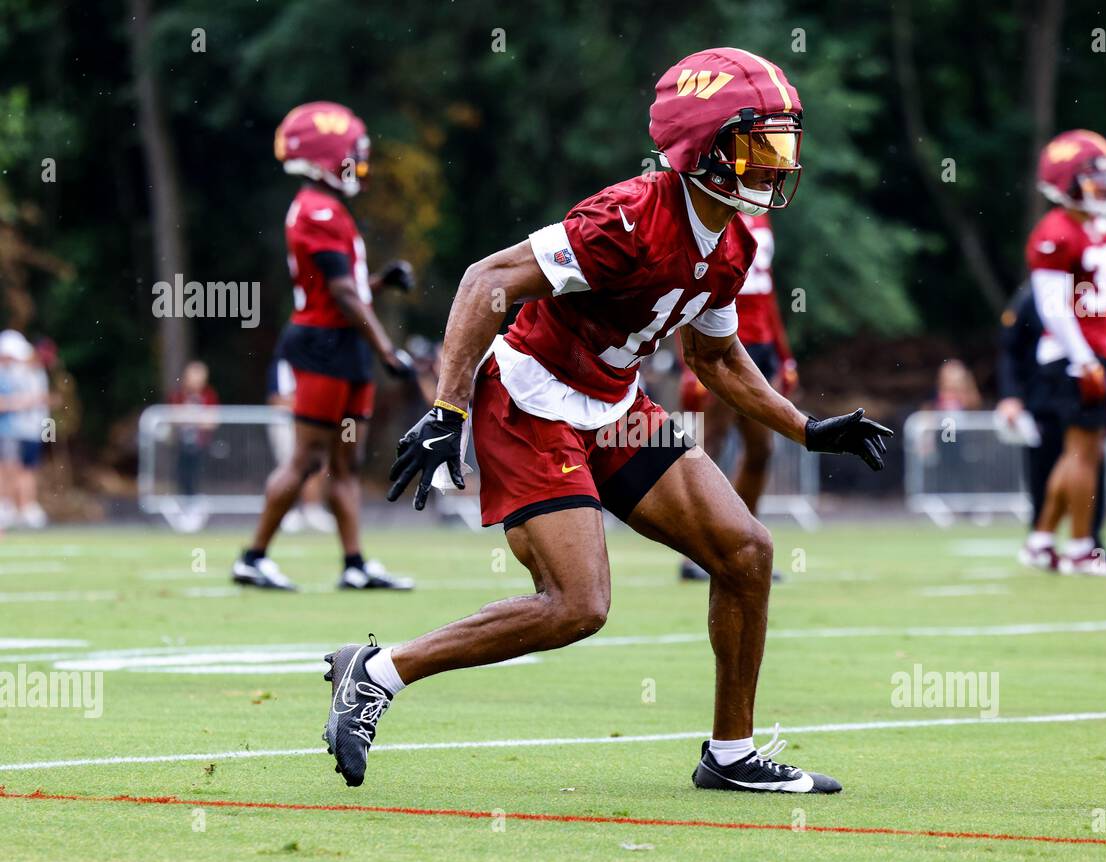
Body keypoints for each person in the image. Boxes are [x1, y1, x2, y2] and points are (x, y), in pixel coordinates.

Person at [322, 48, 891, 794]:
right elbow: (486, 280)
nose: (778, 161)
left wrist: (804, 428)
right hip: (533, 401)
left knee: (746, 551)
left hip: (616, 404)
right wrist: (447, 406)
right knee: (577, 604)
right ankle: (378, 671)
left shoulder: (733, 242)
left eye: (785, 142)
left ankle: (731, 752)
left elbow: (715, 358)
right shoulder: (628, 216)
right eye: (761, 143)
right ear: (706, 147)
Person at [233, 102, 417, 591]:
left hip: (344, 345)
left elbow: (345, 285)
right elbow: (338, 293)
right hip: (325, 348)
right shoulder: (317, 210)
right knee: (307, 459)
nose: (359, 164)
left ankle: (354, 563)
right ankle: (253, 557)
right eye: (352, 156)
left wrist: (379, 281)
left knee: (345, 460)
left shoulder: (328, 208)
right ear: (327, 157)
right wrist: (386, 351)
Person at [1018, 130, 1106, 575]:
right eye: (1094, 175)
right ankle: (1082, 549)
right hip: (1076, 356)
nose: (1105, 184)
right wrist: (1084, 360)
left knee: (1078, 452)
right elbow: (1053, 309)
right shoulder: (1056, 231)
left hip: (1094, 350)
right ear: (1067, 181)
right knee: (1083, 453)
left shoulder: (1097, 227)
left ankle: (1042, 540)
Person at [677, 209, 797, 581]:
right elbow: (689, 285)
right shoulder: (711, 208)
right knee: (709, 446)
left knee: (761, 451)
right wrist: (690, 363)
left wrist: (783, 352)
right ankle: (700, 552)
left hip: (759, 344)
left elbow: (767, 289)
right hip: (724, 342)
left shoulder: (762, 214)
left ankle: (742, 547)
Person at [997, 283, 1106, 556]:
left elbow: (1104, 345)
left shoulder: (1092, 293)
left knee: (1088, 462)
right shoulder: (1031, 297)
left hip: (1085, 392)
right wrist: (1011, 395)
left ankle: (1089, 540)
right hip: (1045, 399)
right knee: (1047, 468)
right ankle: (1043, 538)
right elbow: (1010, 349)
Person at [265, 338, 335, 534]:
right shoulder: (283, 365)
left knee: (317, 465)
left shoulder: (315, 366)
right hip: (287, 424)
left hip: (309, 423)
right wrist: (307, 405)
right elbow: (278, 399)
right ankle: (287, 511)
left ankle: (312, 509)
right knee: (290, 468)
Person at [0, 329, 49, 528]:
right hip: (9, 430)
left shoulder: (33, 372)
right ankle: (7, 505)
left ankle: (25, 507)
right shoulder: (6, 374)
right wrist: (23, 402)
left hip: (28, 430)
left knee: (25, 469)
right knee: (8, 468)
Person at [167, 360, 219, 501]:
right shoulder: (178, 395)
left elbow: (211, 421)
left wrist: (190, 417)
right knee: (181, 475)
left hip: (201, 444)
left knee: (197, 476)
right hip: (181, 443)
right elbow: (173, 417)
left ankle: (195, 503)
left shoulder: (209, 395)